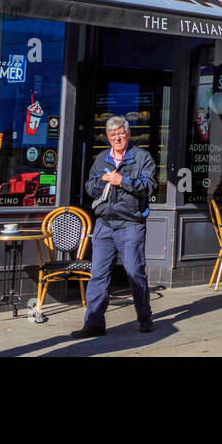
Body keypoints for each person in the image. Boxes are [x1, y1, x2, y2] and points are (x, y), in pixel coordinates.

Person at [73, 117, 157, 337]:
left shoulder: (142, 157)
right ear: (107, 138)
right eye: (112, 136)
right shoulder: (102, 158)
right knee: (98, 275)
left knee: (134, 271)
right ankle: (93, 324)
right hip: (104, 224)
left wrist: (123, 181)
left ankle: (145, 318)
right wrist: (103, 179)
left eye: (120, 134)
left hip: (130, 224)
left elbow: (149, 186)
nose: (117, 138)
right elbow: (90, 187)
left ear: (128, 134)